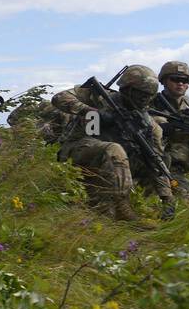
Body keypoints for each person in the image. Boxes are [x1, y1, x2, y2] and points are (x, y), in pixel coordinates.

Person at [51, 65, 174, 221]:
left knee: (160, 160)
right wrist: (92, 112)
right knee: (115, 148)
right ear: (127, 89)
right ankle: (122, 208)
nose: (145, 99)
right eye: (140, 94)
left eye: (149, 95)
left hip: (108, 167)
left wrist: (167, 198)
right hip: (75, 154)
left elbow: (155, 161)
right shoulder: (100, 98)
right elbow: (59, 98)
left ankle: (133, 203)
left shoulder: (150, 126)